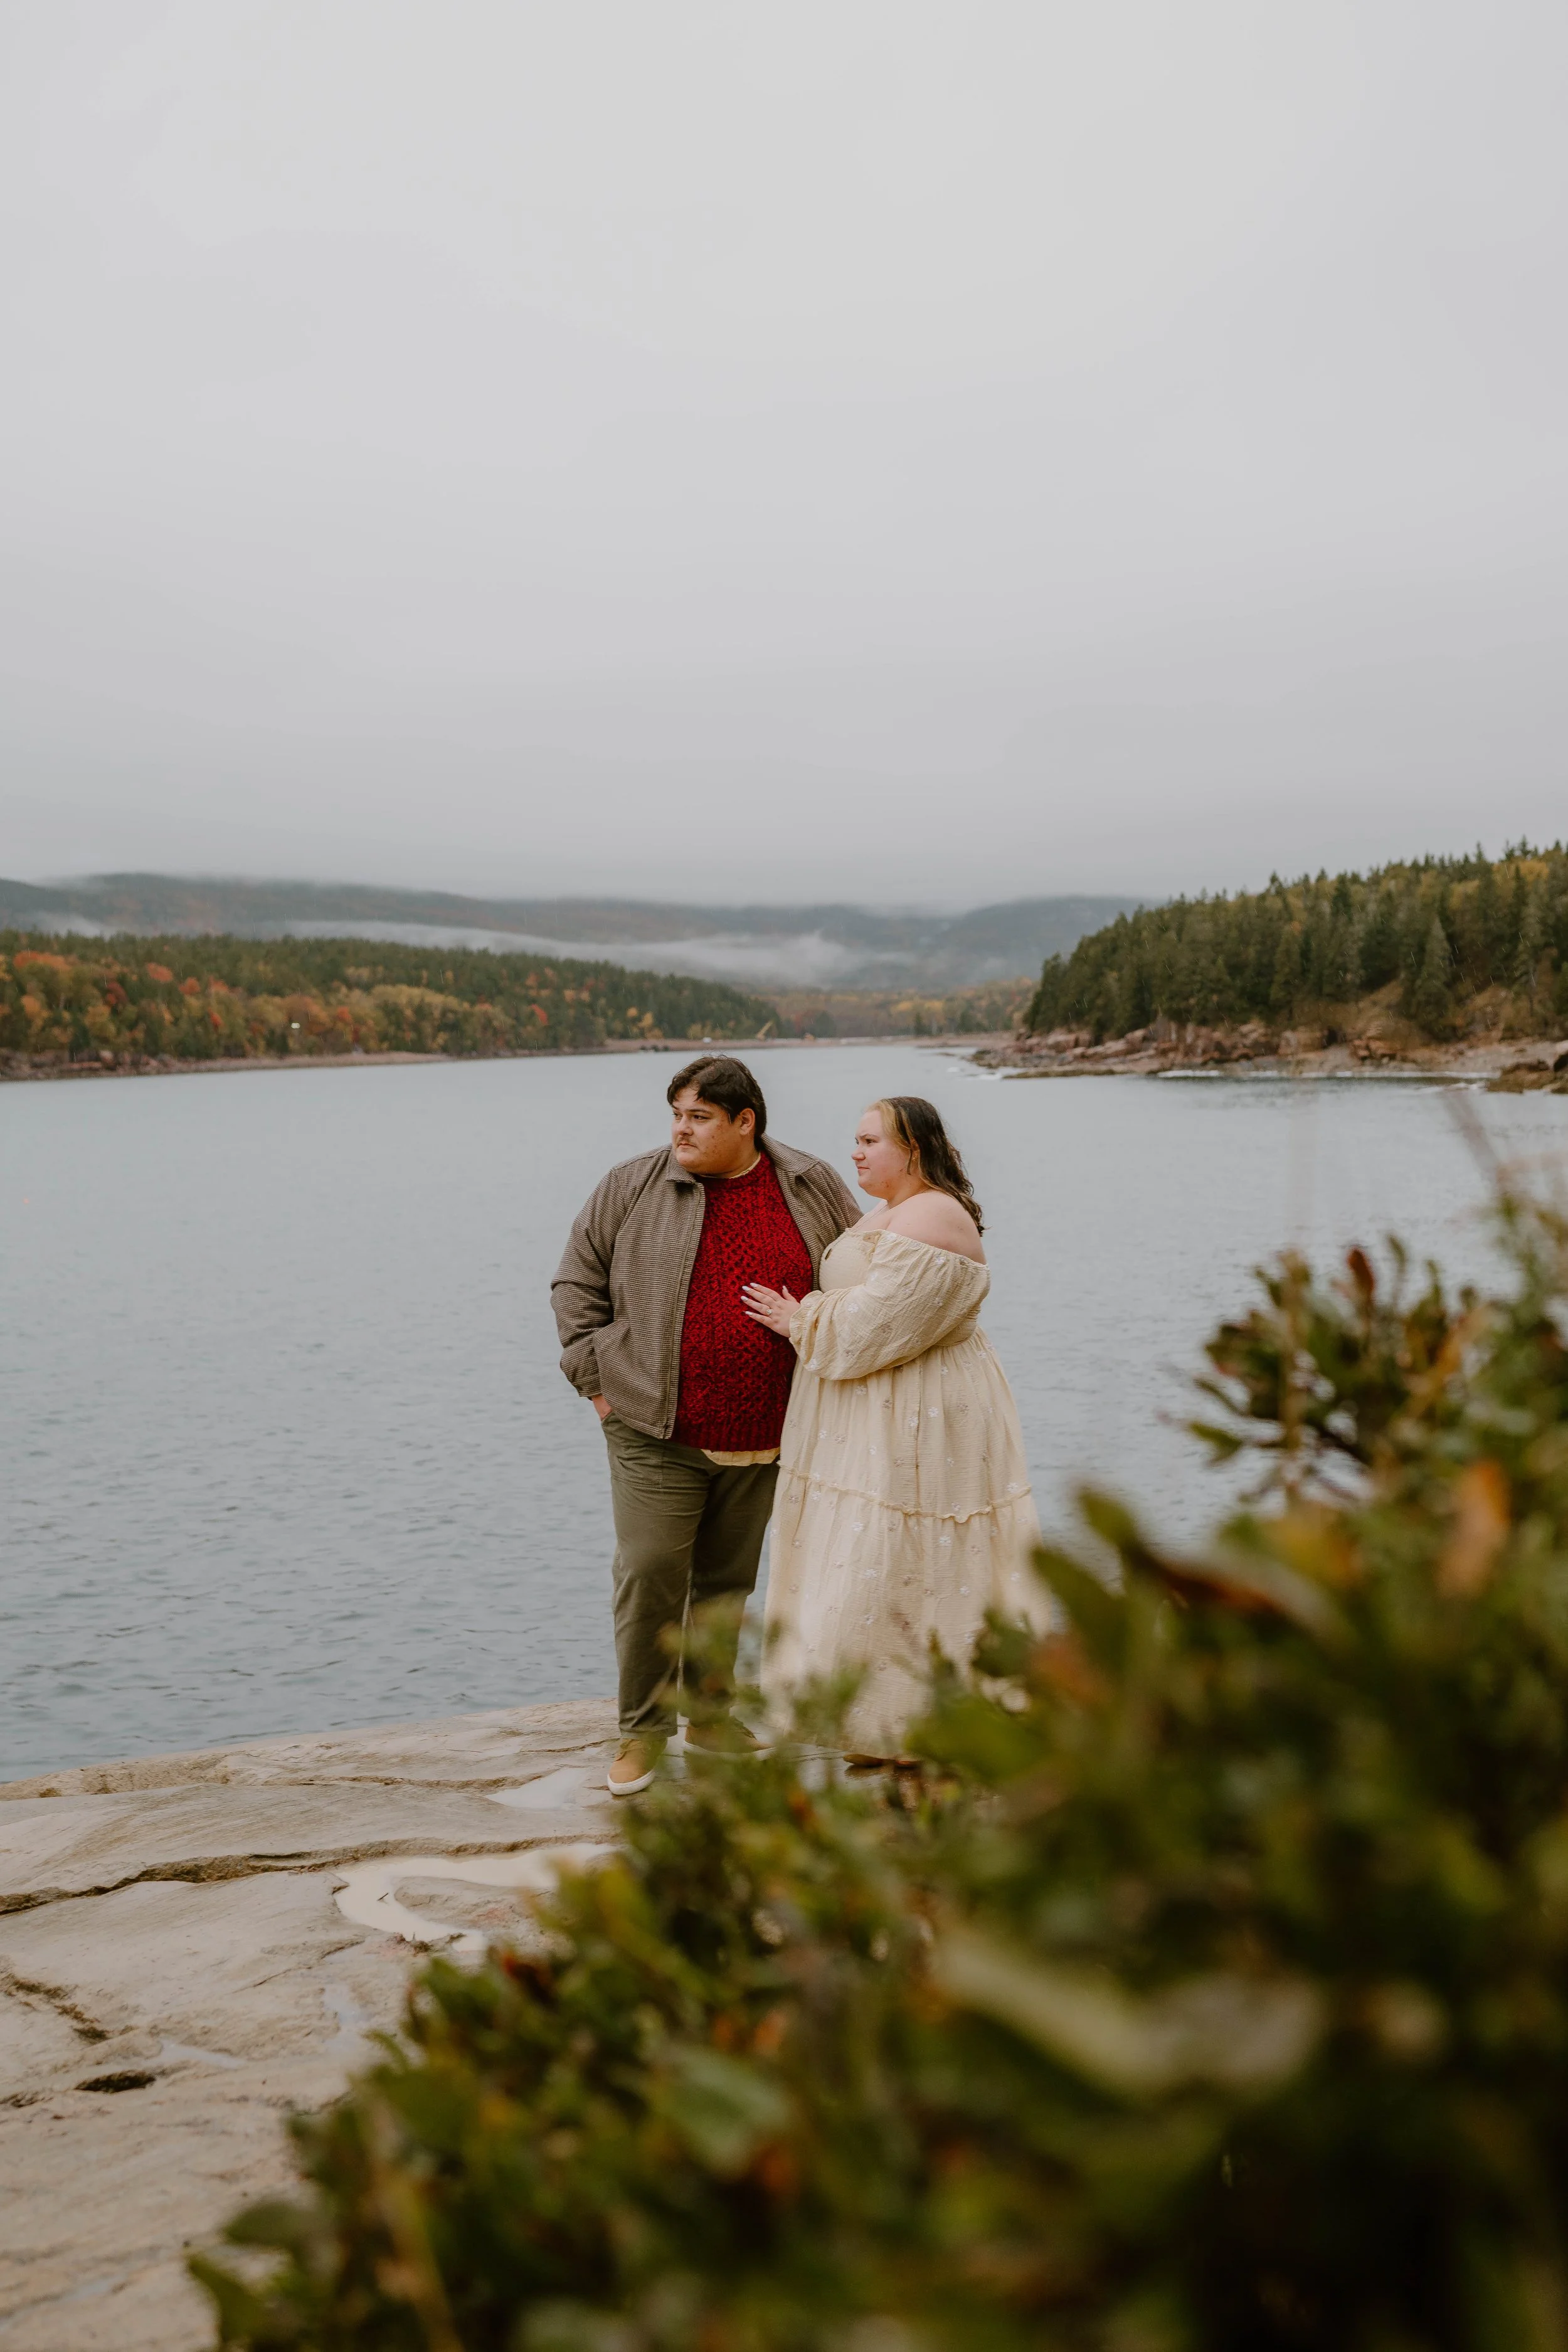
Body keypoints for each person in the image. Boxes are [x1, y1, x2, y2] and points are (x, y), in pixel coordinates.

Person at [553, 1056, 859, 1796]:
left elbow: (862, 1276)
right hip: (654, 1431)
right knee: (651, 1573)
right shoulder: (633, 1185)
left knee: (727, 1586)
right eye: (675, 1115)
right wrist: (598, 1388)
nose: (679, 1132)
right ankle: (643, 1733)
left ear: (744, 1121)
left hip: (769, 1433)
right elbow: (575, 1283)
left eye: (697, 1118)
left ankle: (713, 1718)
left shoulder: (809, 1183)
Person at [743, 1096, 1039, 1760]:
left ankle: (926, 1721)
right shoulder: (888, 1213)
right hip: (875, 1410)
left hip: (919, 1410)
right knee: (877, 1559)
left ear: (913, 1148)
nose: (855, 1152)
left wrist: (801, 1319)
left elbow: (878, 1326)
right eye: (854, 1139)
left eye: (869, 1140)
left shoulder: (935, 1213)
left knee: (909, 1556)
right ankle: (875, 1718)